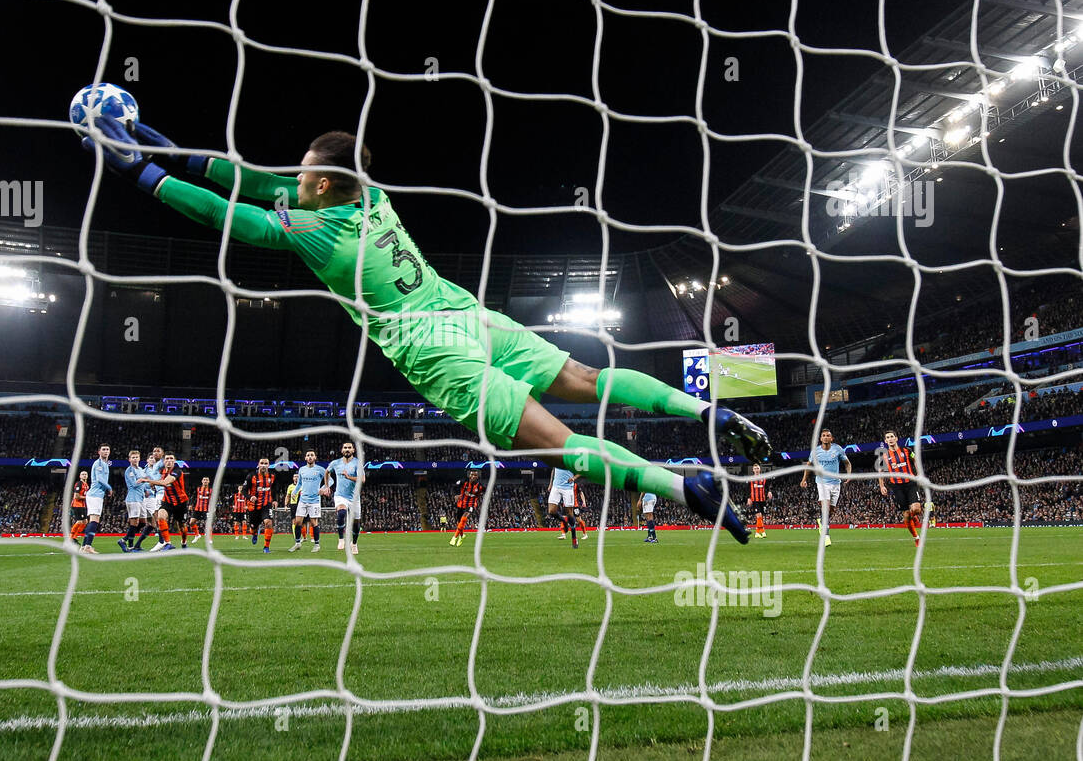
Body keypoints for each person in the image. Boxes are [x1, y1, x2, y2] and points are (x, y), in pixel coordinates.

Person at [79, 120, 771, 540]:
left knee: (557, 446)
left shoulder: (317, 235)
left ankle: (679, 487)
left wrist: (140, 173)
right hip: (468, 313)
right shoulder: (370, 195)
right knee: (585, 380)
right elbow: (254, 180)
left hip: (432, 346)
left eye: (305, 169)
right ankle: (705, 410)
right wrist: (163, 144)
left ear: (319, 184)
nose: (294, 174)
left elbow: (230, 213)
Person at [801, 429, 850, 547]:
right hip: (822, 482)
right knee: (826, 507)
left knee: (831, 510)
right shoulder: (815, 452)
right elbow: (809, 466)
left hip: (836, 483)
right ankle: (826, 536)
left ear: (832, 438)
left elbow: (847, 463)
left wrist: (849, 475)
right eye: (824, 436)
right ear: (820, 439)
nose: (826, 437)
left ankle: (821, 522)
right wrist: (804, 479)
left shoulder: (837, 449)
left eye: (828, 435)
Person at [879, 430, 924, 547]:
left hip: (910, 483)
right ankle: (916, 537)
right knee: (906, 515)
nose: (890, 439)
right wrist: (882, 486)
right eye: (887, 437)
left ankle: (914, 517)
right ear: (885, 441)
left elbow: (915, 461)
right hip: (896, 486)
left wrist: (919, 474)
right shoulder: (884, 455)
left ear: (896, 438)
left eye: (892, 436)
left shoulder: (907, 451)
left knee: (916, 509)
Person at [325, 442, 362, 554]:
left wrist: (348, 477)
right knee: (341, 512)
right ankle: (341, 539)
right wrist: (327, 486)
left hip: (354, 497)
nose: (347, 449)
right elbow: (326, 472)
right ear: (342, 450)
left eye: (349, 448)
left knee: (356, 524)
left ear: (353, 450)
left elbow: (362, 479)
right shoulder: (335, 463)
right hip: (340, 495)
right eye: (345, 448)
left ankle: (354, 543)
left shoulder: (357, 463)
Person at [80, 444, 112, 553]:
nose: (106, 451)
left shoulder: (105, 464)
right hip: (94, 495)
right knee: (94, 520)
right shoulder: (98, 463)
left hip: (97, 495)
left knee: (93, 520)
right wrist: (109, 488)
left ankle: (84, 546)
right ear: (99, 452)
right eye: (103, 449)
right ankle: (88, 546)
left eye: (107, 449)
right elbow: (99, 479)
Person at [292, 450, 327, 551]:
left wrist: (323, 488)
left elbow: (331, 481)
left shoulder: (320, 470)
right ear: (305, 458)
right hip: (303, 500)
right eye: (308, 455)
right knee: (298, 522)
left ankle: (316, 545)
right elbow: (299, 484)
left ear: (315, 457)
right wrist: (294, 492)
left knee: (313, 523)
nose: (310, 457)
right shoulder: (302, 469)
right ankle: (298, 543)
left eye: (312, 455)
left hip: (314, 500)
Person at [245, 456, 277, 552]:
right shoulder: (251, 476)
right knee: (253, 528)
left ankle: (266, 547)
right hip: (254, 507)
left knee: (269, 523)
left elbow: (274, 489)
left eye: (266, 463)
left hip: (266, 505)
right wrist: (250, 497)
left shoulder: (272, 476)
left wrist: (274, 500)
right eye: (262, 463)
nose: (263, 465)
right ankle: (254, 534)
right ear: (258, 465)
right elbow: (243, 491)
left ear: (269, 465)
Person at [449, 470, 484, 547]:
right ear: (469, 476)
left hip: (471, 505)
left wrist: (476, 497)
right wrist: (455, 495)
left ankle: (454, 537)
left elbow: (483, 493)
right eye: (472, 475)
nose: (473, 476)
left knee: (464, 519)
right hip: (461, 505)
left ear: (477, 477)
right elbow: (453, 487)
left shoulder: (480, 486)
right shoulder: (463, 482)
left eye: (475, 475)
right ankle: (461, 536)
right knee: (459, 523)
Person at [547, 467, 579, 547]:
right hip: (556, 486)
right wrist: (550, 484)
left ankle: (574, 537)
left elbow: (583, 469)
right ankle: (564, 521)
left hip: (568, 488)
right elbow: (553, 469)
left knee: (569, 513)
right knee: (551, 511)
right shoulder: (557, 456)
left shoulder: (572, 457)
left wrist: (574, 478)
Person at [746, 463, 768, 540]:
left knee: (760, 517)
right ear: (753, 470)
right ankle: (763, 531)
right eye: (755, 468)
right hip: (754, 500)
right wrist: (748, 498)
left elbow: (767, 487)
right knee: (758, 515)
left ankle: (757, 533)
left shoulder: (764, 478)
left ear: (760, 469)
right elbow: (747, 489)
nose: (756, 470)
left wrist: (769, 492)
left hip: (763, 500)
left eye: (757, 468)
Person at [70, 470, 89, 542]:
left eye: (85, 474)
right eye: (83, 474)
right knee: (80, 521)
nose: (84, 475)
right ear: (80, 476)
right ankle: (71, 537)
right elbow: (76, 496)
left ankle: (75, 536)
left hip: (82, 505)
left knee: (85, 521)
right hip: (77, 505)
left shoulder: (86, 485)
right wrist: (87, 497)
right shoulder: (79, 484)